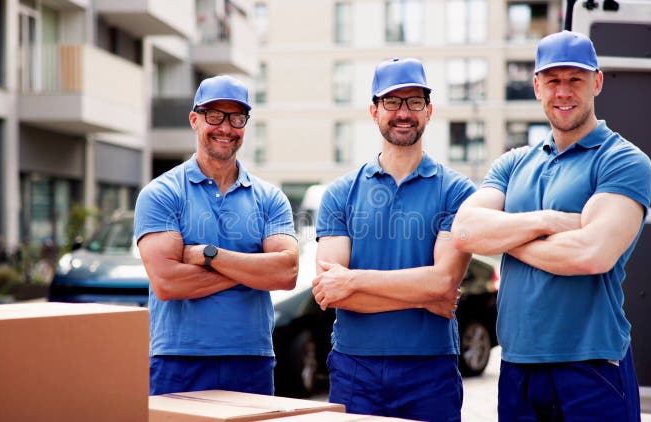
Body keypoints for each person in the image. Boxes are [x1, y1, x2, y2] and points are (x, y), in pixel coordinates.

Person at [451, 31, 651, 421]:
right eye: (553, 81)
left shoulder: (622, 161)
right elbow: (464, 231)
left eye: (575, 80)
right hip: (517, 366)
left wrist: (504, 237)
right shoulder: (513, 164)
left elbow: (590, 253)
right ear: (537, 87)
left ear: (596, 82)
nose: (563, 92)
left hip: (591, 365)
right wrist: (546, 221)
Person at [312, 58, 476, 422]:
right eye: (392, 103)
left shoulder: (458, 191)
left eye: (414, 102)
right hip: (355, 366)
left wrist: (354, 280)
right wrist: (422, 295)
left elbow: (443, 281)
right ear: (374, 111)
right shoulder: (340, 194)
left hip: (430, 368)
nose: (404, 113)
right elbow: (330, 291)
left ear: (429, 111)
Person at [134, 75, 299, 396]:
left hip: (252, 357)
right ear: (194, 120)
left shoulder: (269, 198)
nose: (225, 127)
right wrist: (255, 271)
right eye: (215, 116)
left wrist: (210, 256)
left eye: (236, 118)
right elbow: (168, 284)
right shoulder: (162, 193)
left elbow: (287, 273)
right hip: (179, 358)